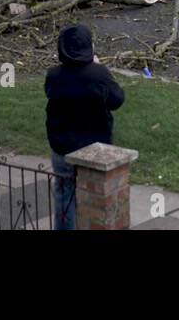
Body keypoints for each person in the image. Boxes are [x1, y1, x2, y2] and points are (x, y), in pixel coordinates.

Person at [45, 24, 125, 229]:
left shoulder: (54, 75)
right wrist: (97, 67)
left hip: (62, 147)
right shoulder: (98, 75)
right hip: (94, 149)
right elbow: (117, 100)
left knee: (64, 196)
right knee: (97, 199)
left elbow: (51, 92)